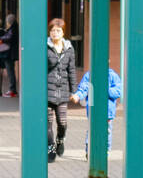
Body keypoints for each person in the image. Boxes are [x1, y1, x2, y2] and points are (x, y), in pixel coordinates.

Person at [45, 18, 77, 161]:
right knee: (48, 125)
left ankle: (60, 141)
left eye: (58, 30)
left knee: (62, 123)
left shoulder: (69, 49)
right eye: (52, 30)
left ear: (63, 32)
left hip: (62, 91)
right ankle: (50, 150)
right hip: (47, 91)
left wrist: (74, 90)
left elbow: (72, 70)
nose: (55, 33)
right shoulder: (45, 47)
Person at [73, 65, 120, 156]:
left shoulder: (112, 76)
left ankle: (105, 150)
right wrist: (78, 95)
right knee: (92, 129)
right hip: (93, 109)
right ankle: (89, 149)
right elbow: (83, 88)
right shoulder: (89, 75)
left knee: (107, 130)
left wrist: (105, 90)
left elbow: (118, 91)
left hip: (107, 111)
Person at [3, 13, 19, 97]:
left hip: (9, 54)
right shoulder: (14, 28)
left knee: (10, 72)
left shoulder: (12, 29)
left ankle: (12, 90)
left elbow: (8, 38)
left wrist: (2, 37)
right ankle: (12, 89)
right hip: (10, 53)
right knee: (11, 72)